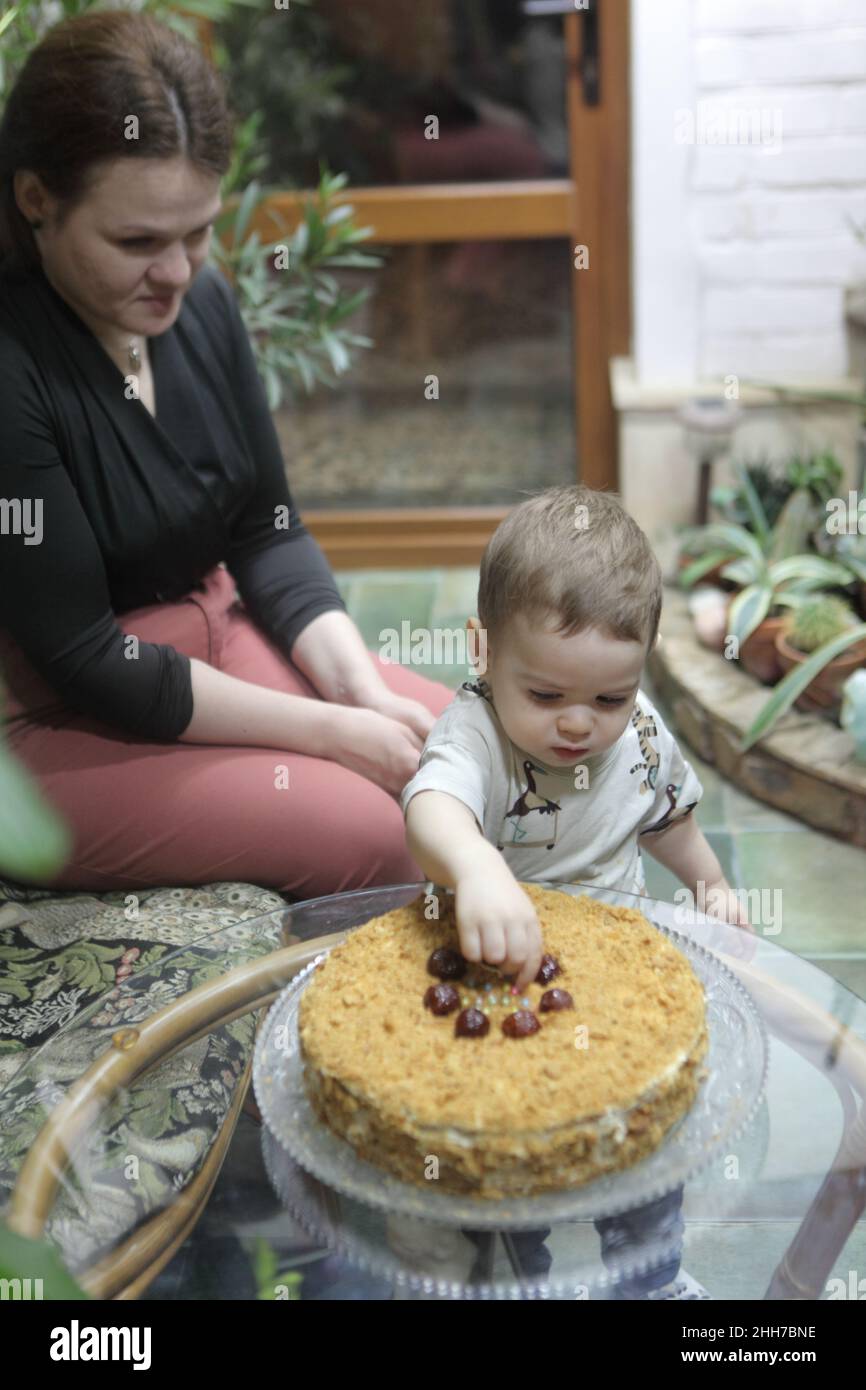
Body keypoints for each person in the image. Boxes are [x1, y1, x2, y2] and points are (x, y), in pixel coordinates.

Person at [0, 10, 452, 899]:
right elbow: (89, 660)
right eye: (136, 242)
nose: (177, 272)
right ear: (36, 200)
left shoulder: (197, 302)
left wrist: (357, 690)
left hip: (212, 641)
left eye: (196, 233)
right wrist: (326, 733)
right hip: (54, 717)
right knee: (374, 831)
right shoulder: (13, 367)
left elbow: (266, 530)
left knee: (462, 752)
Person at [401, 483, 753, 1299]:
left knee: (642, 1150)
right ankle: (506, 1266)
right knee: (515, 1153)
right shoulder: (476, 731)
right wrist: (479, 869)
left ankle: (649, 1276)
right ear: (482, 652)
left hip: (617, 981)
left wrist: (709, 883)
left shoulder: (638, 735)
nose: (577, 724)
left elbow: (666, 819)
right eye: (548, 694)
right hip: (499, 982)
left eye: (608, 696)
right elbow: (431, 811)